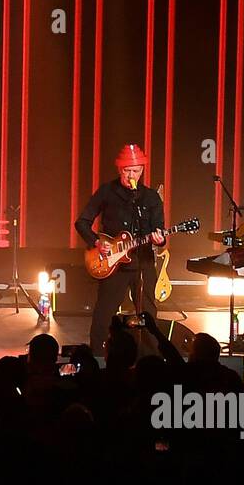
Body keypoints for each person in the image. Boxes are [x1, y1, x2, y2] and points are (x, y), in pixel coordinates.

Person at [75, 143, 166, 353]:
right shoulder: (107, 191)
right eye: (127, 170)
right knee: (103, 314)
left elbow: (159, 231)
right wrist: (97, 242)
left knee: (148, 315)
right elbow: (82, 222)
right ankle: (97, 356)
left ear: (142, 170)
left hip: (142, 263)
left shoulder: (151, 197)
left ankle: (150, 360)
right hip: (113, 264)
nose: (131, 175)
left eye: (136, 170)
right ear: (119, 169)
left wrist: (159, 238)